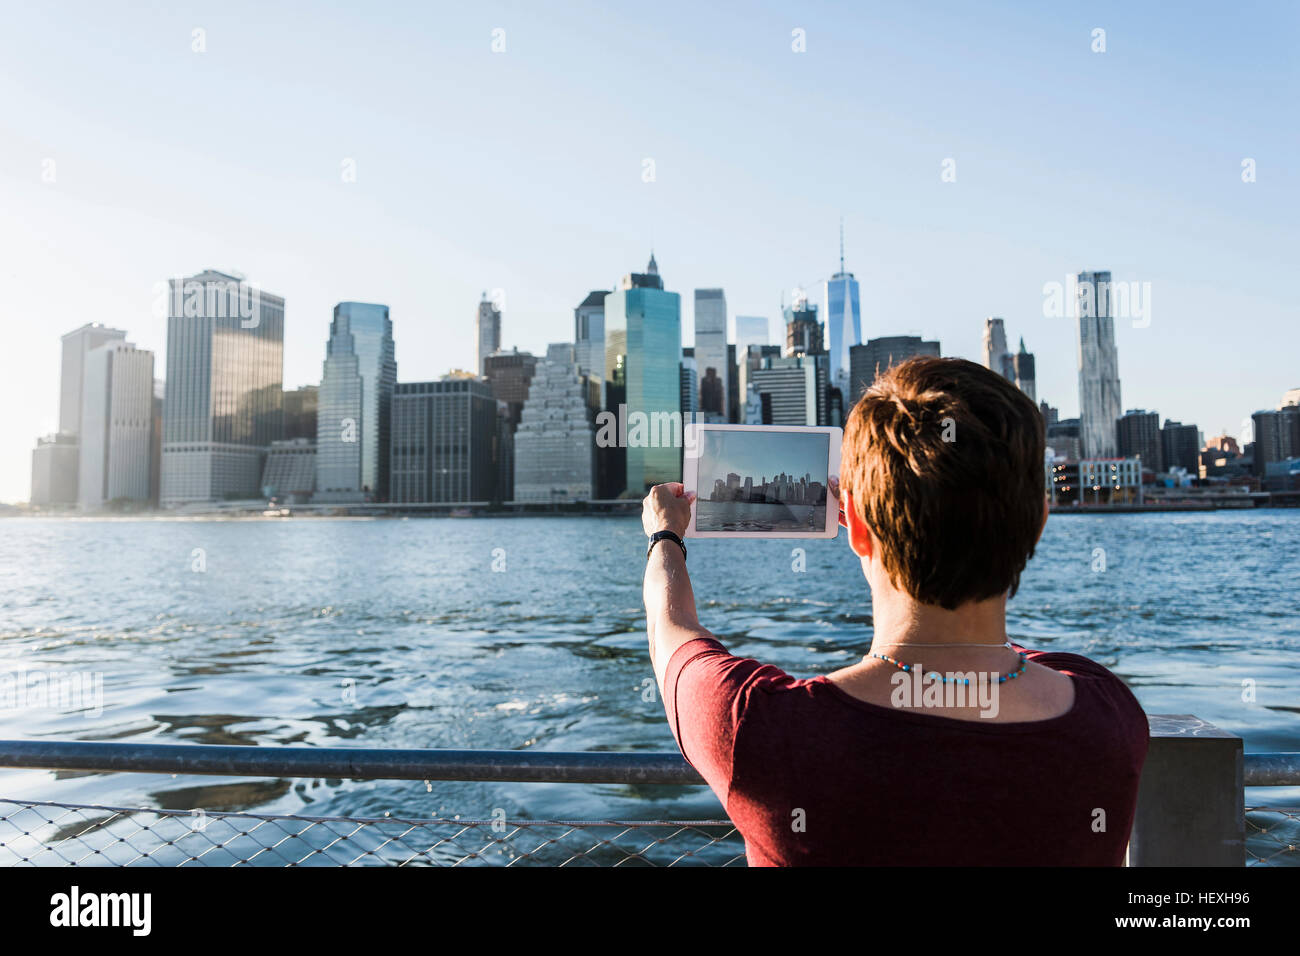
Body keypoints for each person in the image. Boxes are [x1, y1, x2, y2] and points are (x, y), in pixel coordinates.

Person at [641, 356, 1148, 866]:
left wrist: (665, 536)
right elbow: (995, 655)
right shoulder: (1111, 717)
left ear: (855, 526)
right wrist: (887, 531)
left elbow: (673, 633)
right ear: (1039, 521)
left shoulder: (760, 726)